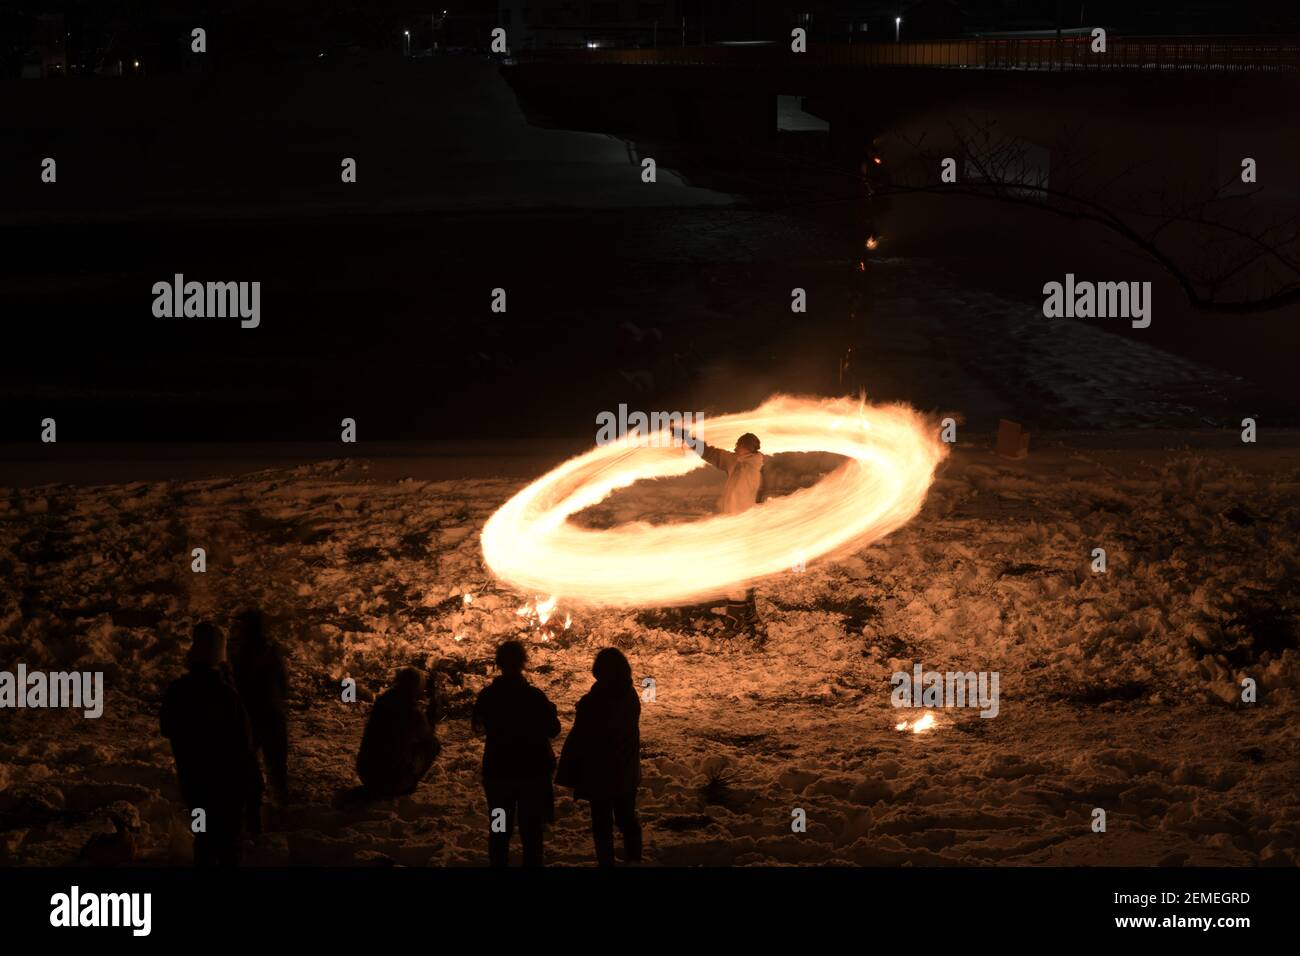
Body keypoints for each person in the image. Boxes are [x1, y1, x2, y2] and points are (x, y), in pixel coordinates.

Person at [160, 622, 264, 866]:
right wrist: (254, 789)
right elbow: (244, 746)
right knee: (230, 846)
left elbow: (167, 728)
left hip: (194, 788)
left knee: (203, 839)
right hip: (229, 791)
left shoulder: (178, 691)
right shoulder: (227, 695)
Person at [470, 641, 561, 867]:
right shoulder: (535, 697)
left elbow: (477, 725)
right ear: (523, 663)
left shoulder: (488, 696)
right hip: (531, 776)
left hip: (498, 776)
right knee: (531, 832)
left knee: (499, 828)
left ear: (498, 663)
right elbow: (553, 729)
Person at [556, 648, 643, 867]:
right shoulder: (631, 696)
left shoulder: (593, 702)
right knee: (626, 819)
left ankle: (607, 862)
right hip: (626, 770)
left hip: (600, 774)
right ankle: (634, 859)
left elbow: (580, 738)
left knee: (602, 825)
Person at [679, 428, 767, 631]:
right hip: (735, 527)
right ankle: (748, 615)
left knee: (735, 572)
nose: (734, 447)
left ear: (748, 449)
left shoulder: (754, 469)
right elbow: (711, 453)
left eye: (738, 445)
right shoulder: (737, 462)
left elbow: (760, 500)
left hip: (742, 529)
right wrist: (688, 439)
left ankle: (735, 622)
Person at [230, 609, 290, 806]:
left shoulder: (240, 654)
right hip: (273, 714)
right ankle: (281, 806)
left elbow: (236, 685)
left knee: (248, 764)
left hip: (251, 716)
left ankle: (253, 810)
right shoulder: (272, 650)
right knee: (277, 766)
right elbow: (283, 684)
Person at [356, 667, 441, 798]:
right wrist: (433, 707)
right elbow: (427, 737)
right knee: (433, 746)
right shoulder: (412, 712)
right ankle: (406, 787)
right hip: (390, 782)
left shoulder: (383, 700)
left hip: (366, 774)